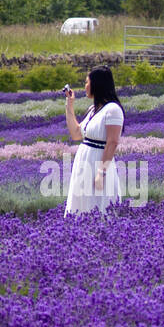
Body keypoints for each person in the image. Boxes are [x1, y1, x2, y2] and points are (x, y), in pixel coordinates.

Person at [63, 66, 125, 216]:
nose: (85, 86)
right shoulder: (94, 110)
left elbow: (112, 142)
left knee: (99, 206)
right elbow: (76, 134)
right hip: (84, 164)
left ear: (96, 84)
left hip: (98, 164)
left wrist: (101, 173)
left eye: (87, 82)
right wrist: (69, 104)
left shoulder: (113, 110)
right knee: (81, 206)